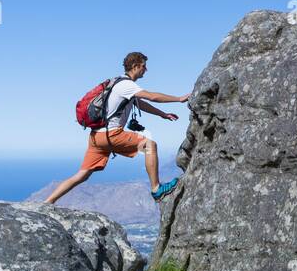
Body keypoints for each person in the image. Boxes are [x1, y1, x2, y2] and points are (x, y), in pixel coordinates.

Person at [44, 52, 189, 204]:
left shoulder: (116, 83)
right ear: (135, 66)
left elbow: (140, 103)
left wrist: (162, 114)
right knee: (150, 145)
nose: (146, 70)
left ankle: (48, 201)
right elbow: (151, 96)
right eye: (143, 66)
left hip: (96, 137)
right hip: (111, 135)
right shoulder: (127, 85)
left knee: (83, 174)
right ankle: (156, 189)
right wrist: (179, 99)